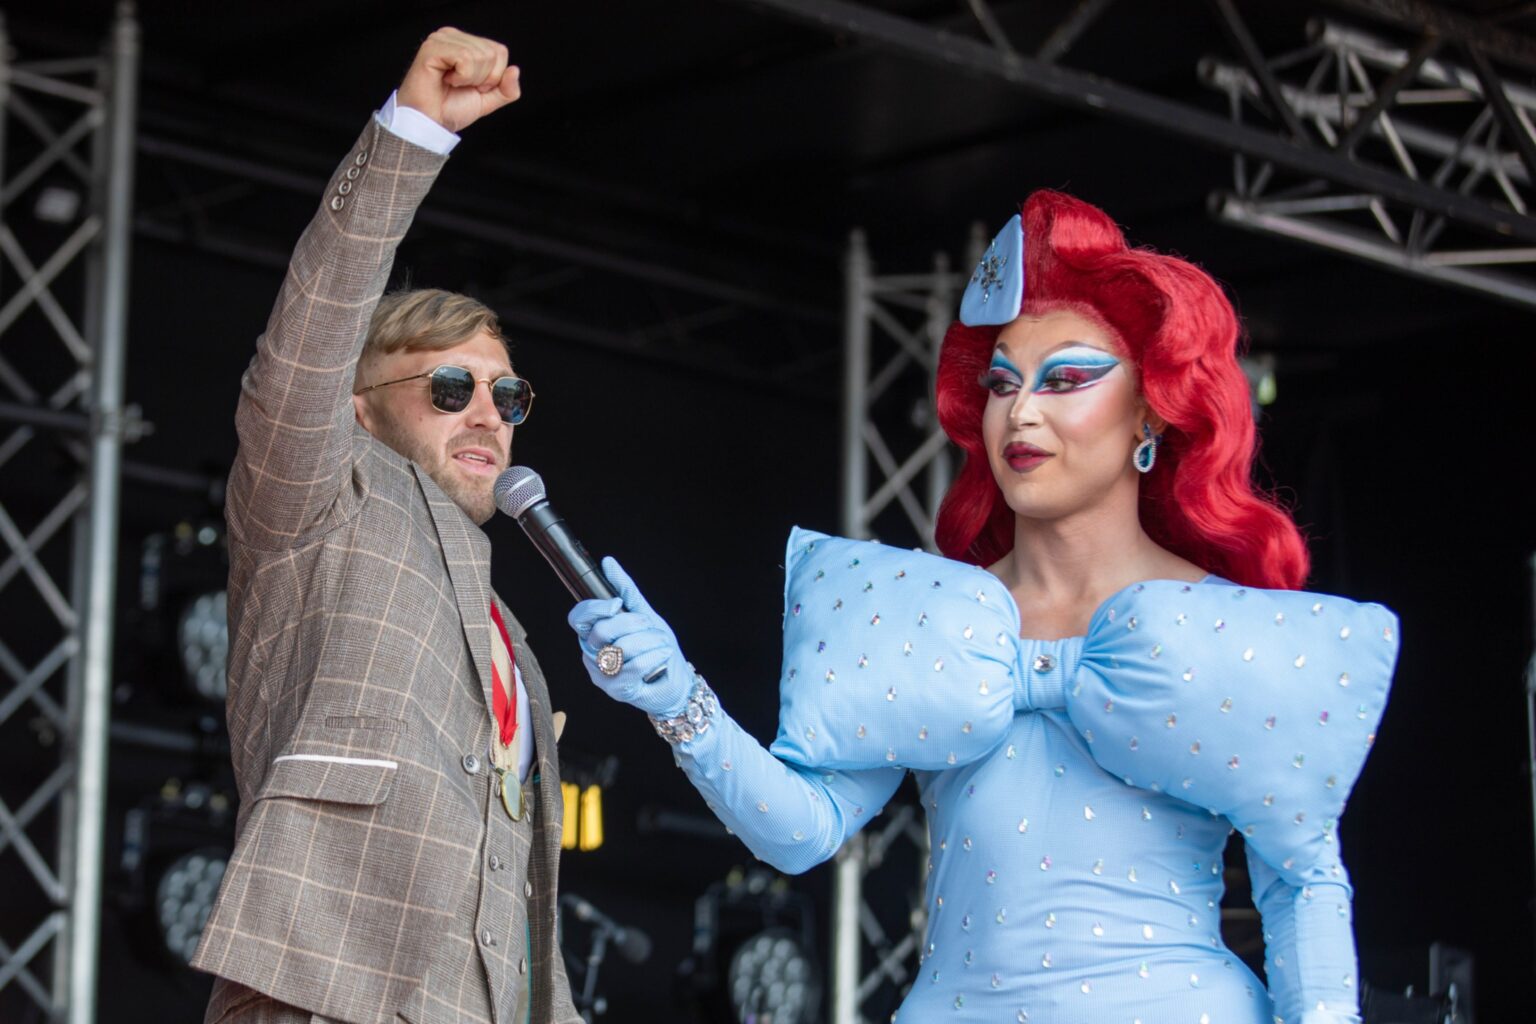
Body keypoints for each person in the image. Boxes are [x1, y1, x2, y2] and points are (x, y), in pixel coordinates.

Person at [568, 191, 1396, 1023]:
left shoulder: (1222, 628)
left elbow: (1302, 881)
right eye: (1003, 383)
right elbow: (803, 830)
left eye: (1065, 378)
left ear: (1150, 409)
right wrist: (680, 702)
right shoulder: (929, 615)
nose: (1022, 411)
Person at [190, 28, 582, 1024]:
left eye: (507, 395)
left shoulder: (504, 632)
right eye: (451, 387)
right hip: (325, 991)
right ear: (359, 407)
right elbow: (316, 331)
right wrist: (413, 134)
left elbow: (522, 897)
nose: (488, 413)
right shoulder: (319, 498)